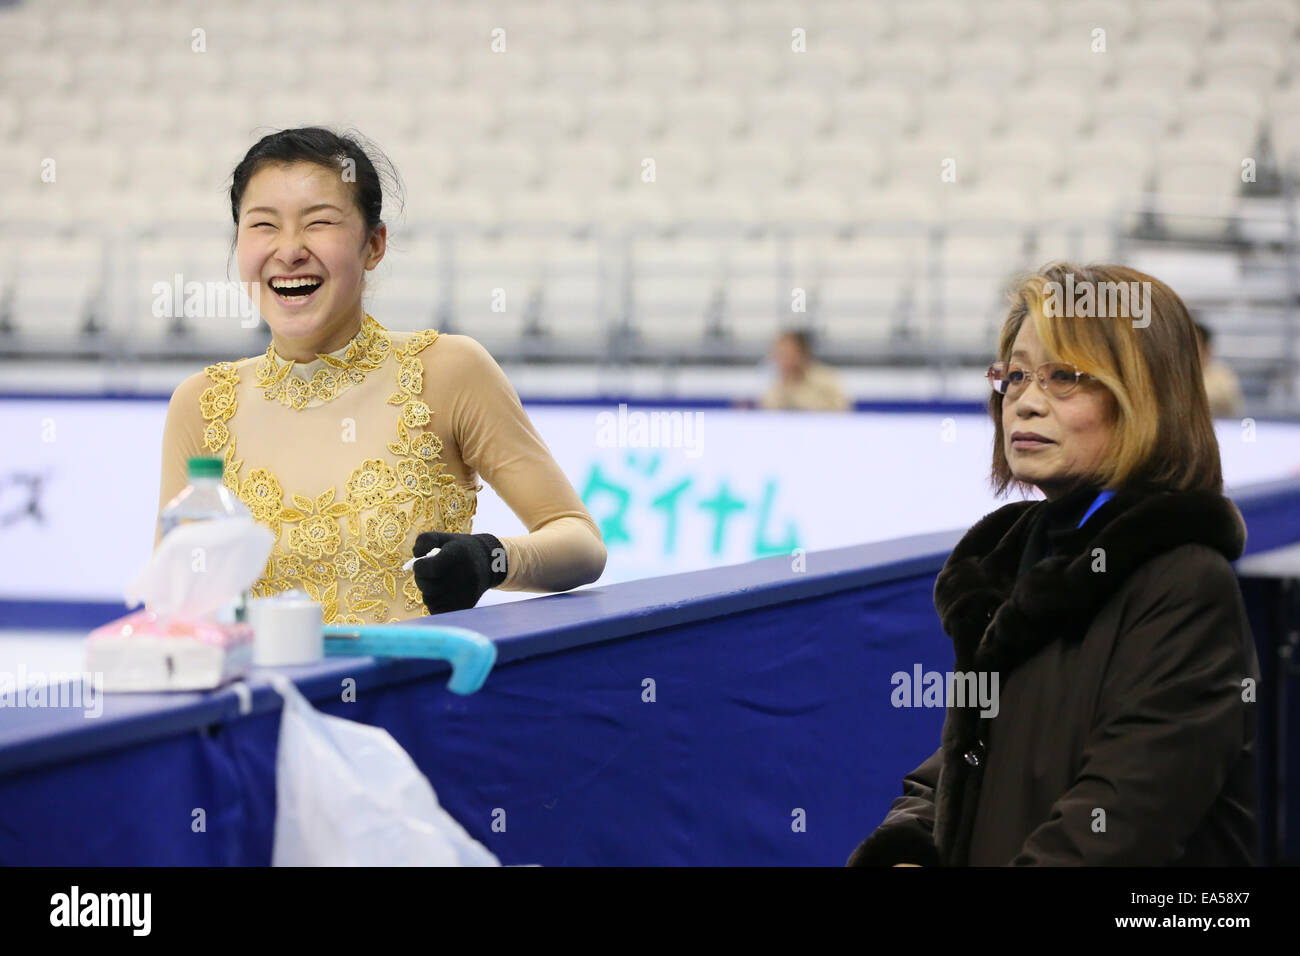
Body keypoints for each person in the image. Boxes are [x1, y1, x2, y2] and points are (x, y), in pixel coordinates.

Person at [846, 262, 1259, 866]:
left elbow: (1114, 830)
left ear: (1145, 394)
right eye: (1014, 376)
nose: (1026, 403)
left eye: (1064, 377)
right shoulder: (1021, 563)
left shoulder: (1185, 582)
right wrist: (906, 852)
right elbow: (964, 770)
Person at [157, 128, 605, 624]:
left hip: (422, 693)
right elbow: (175, 601)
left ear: (374, 245)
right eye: (263, 225)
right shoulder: (201, 404)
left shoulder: (450, 371)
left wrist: (490, 558)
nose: (289, 250)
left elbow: (580, 541)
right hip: (274, 699)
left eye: (319, 222)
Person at [758, 330, 851, 411]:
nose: (782, 360)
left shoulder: (826, 380)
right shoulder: (775, 386)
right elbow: (769, 415)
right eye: (780, 354)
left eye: (788, 353)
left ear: (803, 353)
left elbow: (842, 410)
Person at [1194, 320, 1244, 418]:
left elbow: (1225, 400)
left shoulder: (1222, 375)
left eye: (1195, 345)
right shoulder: (1178, 375)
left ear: (1206, 349)